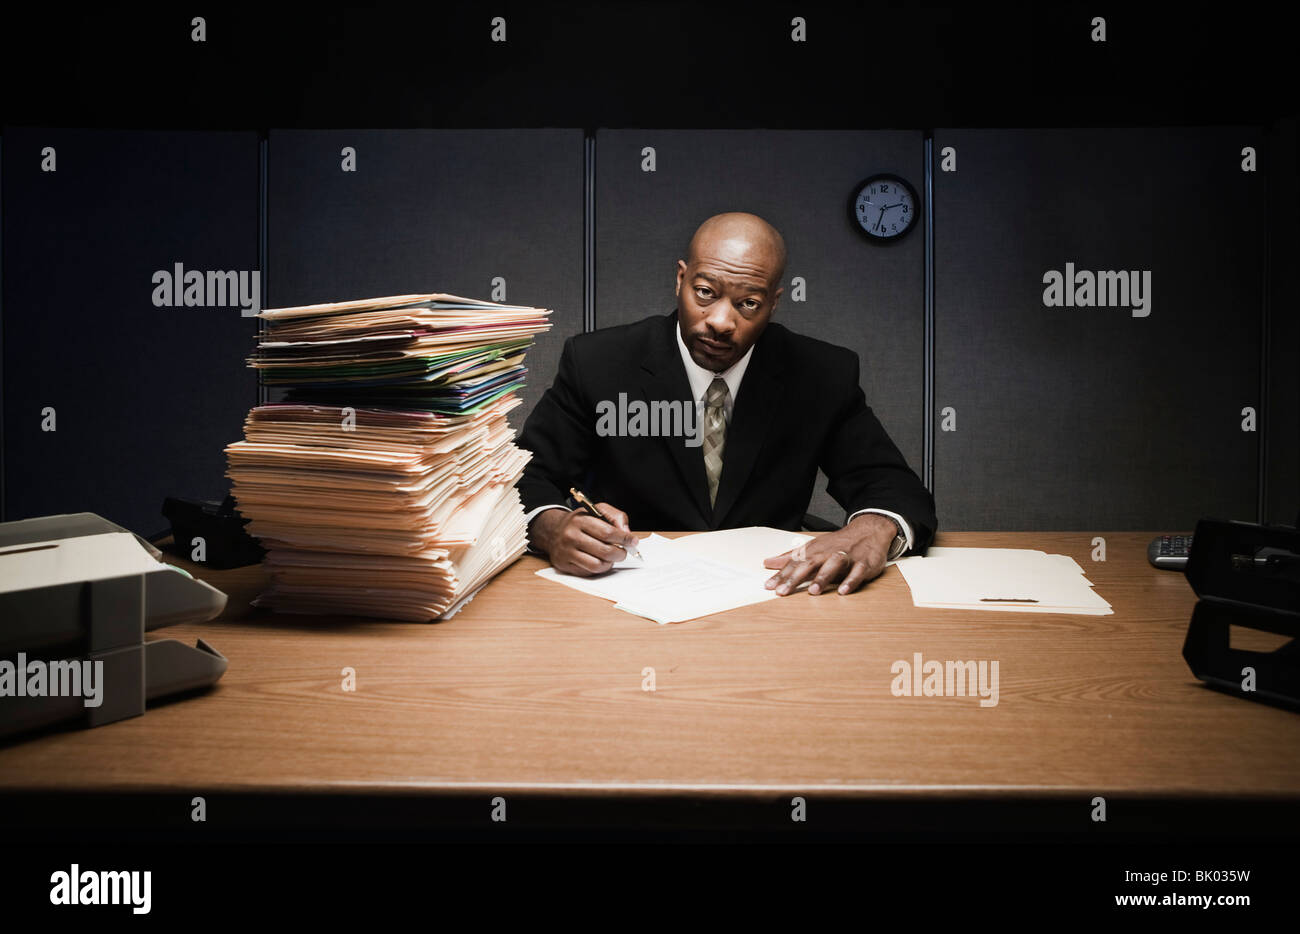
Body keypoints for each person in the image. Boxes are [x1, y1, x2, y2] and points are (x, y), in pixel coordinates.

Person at [516, 212, 937, 596]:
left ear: (774, 302)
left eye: (748, 303)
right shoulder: (597, 363)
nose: (720, 321)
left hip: (773, 594)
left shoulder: (822, 374)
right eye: (705, 292)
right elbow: (528, 477)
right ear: (680, 280)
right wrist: (553, 528)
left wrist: (876, 526)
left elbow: (891, 484)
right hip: (626, 590)